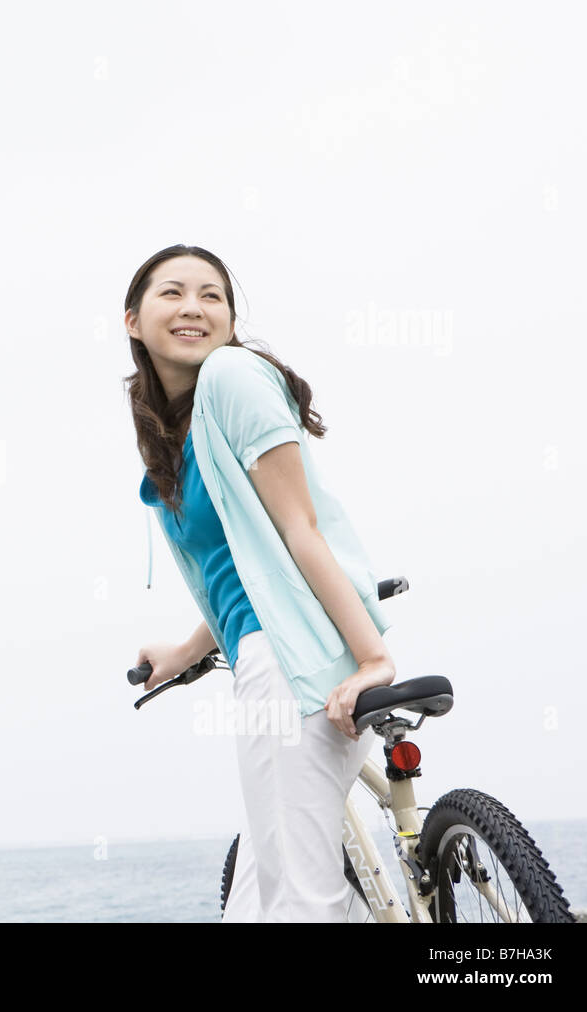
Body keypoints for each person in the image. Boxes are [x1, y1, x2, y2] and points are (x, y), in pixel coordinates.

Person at [124, 244, 396, 922]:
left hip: (290, 666)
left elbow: (298, 528)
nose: (193, 306)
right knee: (252, 908)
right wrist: (187, 651)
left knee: (301, 903)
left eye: (212, 295)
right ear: (133, 321)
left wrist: (373, 660)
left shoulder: (231, 377)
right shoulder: (170, 430)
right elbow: (241, 567)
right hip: (265, 653)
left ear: (231, 318)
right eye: (174, 292)